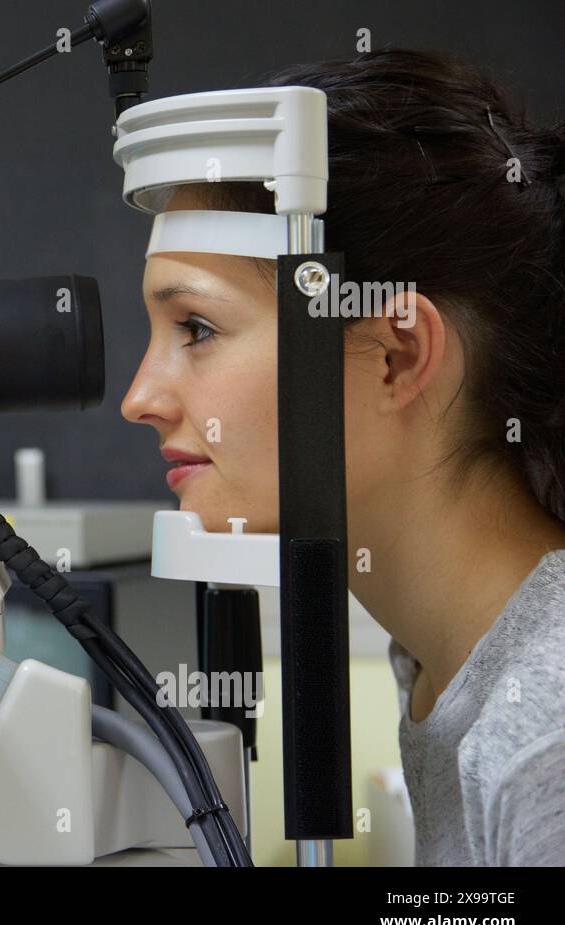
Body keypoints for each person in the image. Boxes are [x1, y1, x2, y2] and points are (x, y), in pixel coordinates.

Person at [120, 50, 565, 865]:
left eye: (197, 329)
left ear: (395, 354)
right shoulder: (441, 662)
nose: (141, 397)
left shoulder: (546, 738)